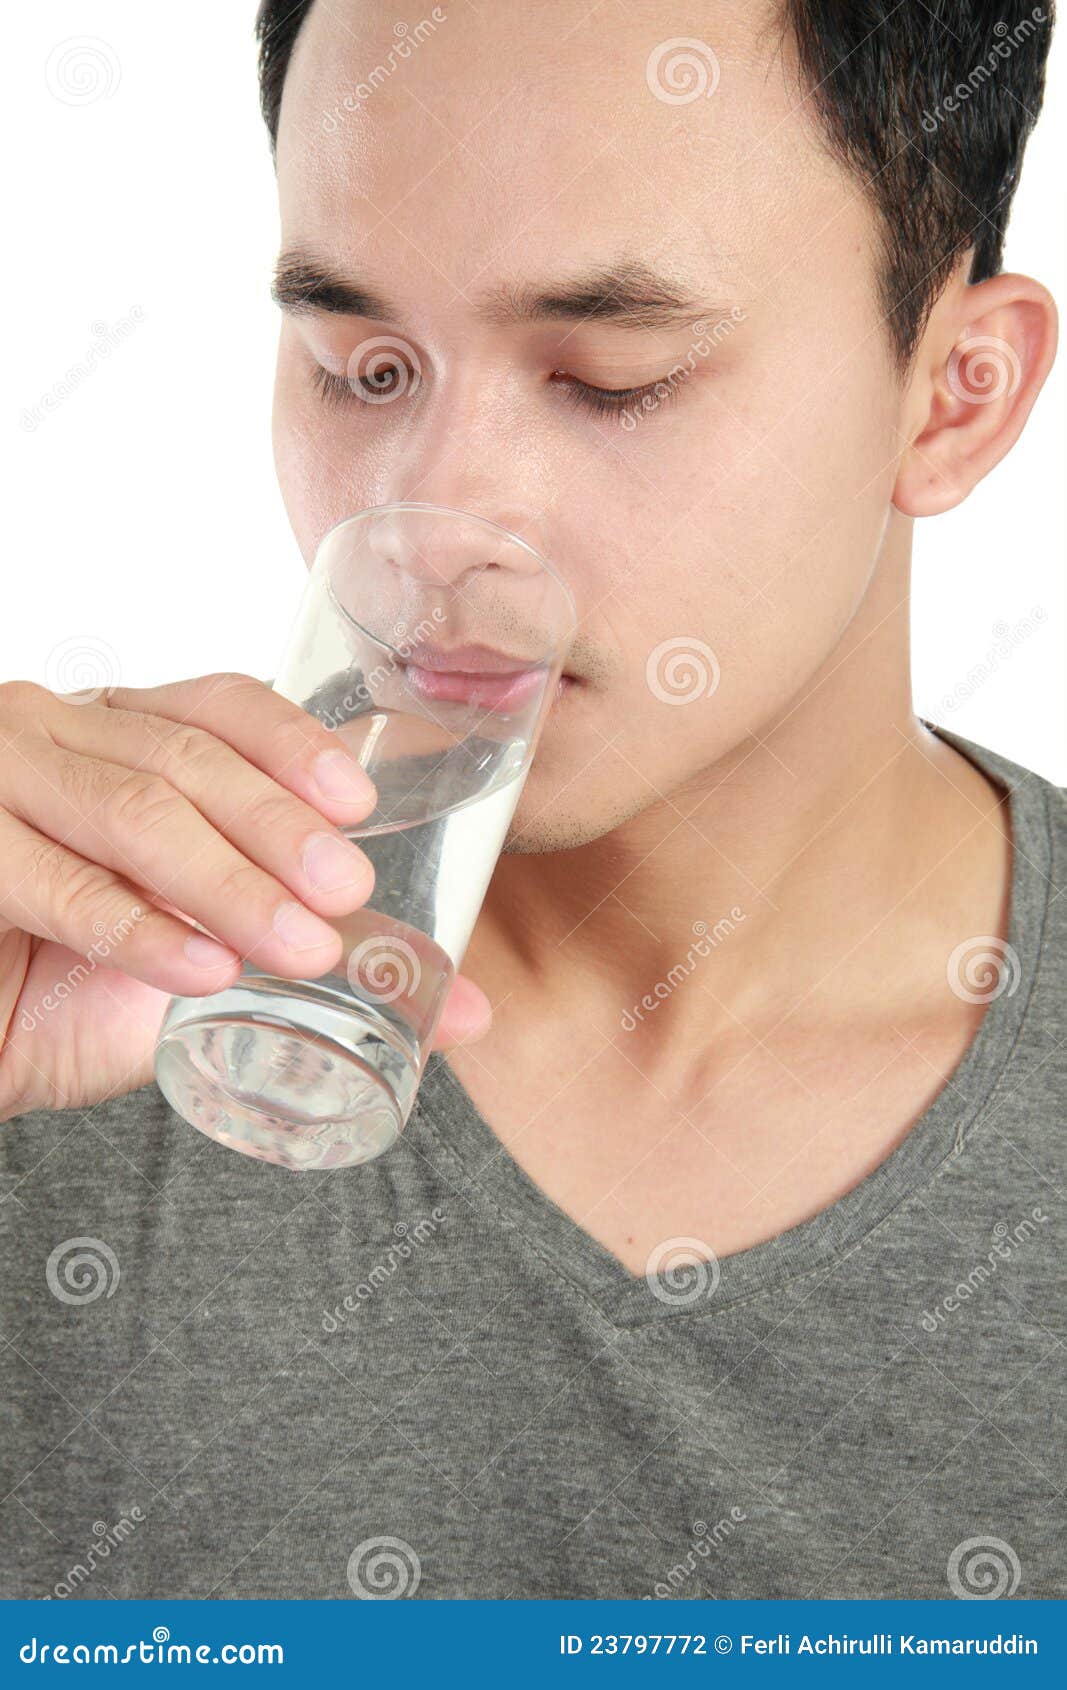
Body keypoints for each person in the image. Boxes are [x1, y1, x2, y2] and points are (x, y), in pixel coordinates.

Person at [1, 0, 1063, 1601]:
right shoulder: (61, 997)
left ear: (954, 394)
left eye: (612, 380)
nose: (439, 523)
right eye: (364, 366)